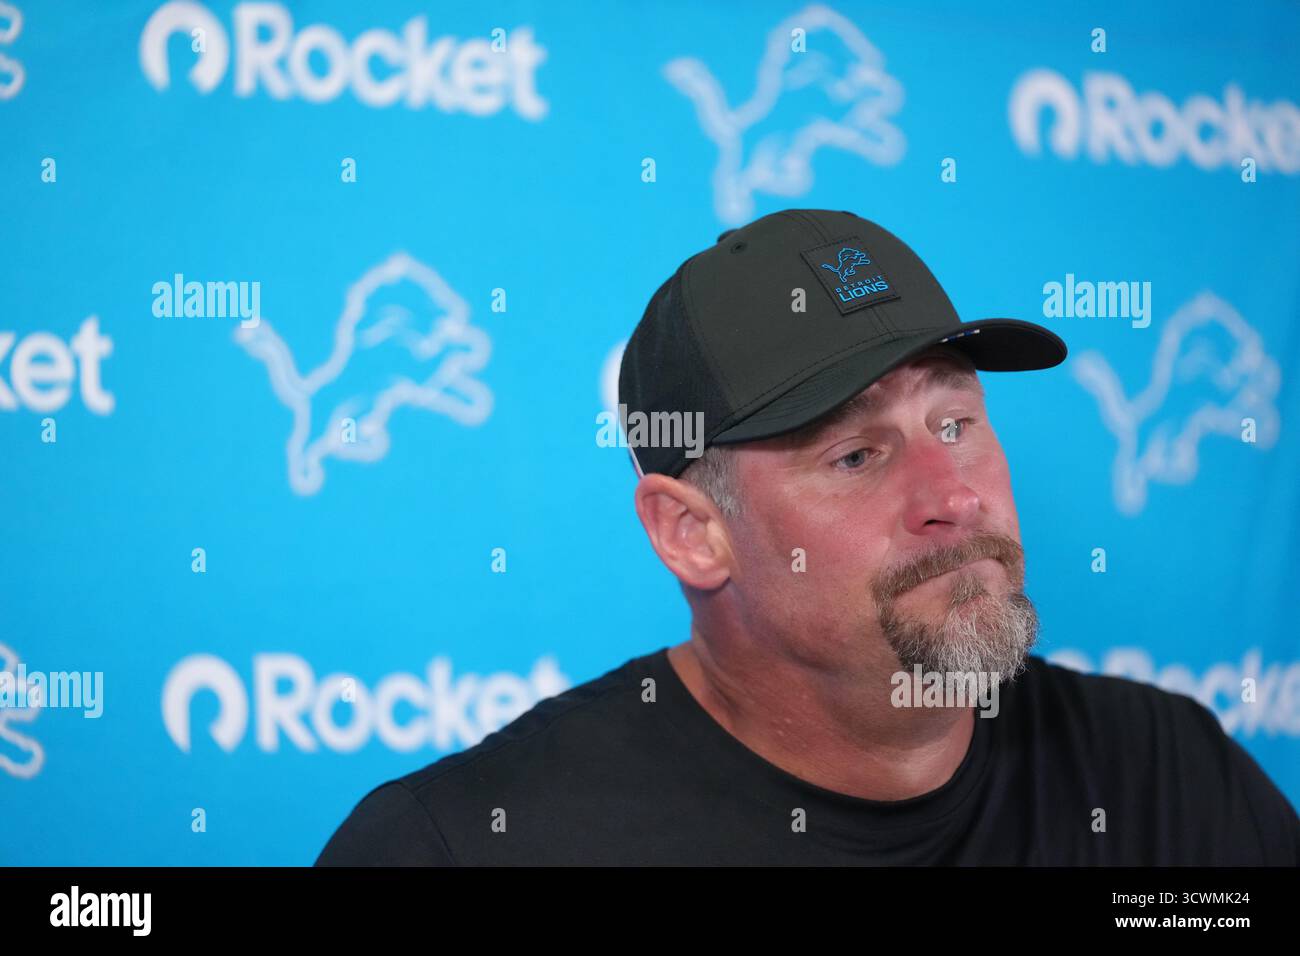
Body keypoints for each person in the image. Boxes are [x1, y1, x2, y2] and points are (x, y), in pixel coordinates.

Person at [316, 209, 1299, 865]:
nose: (953, 497)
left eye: (954, 423)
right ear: (693, 533)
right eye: (855, 456)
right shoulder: (467, 846)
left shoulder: (1168, 780)